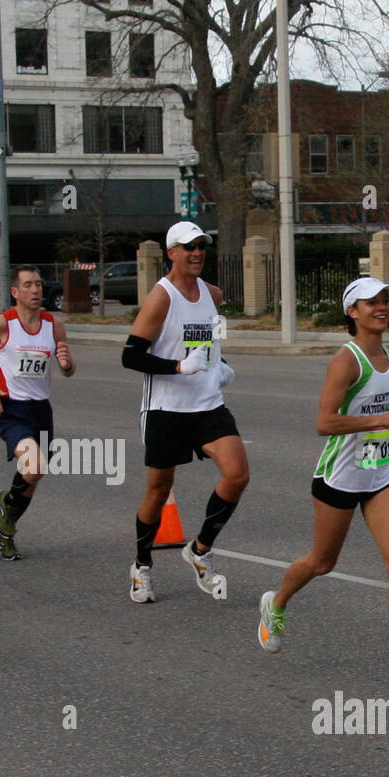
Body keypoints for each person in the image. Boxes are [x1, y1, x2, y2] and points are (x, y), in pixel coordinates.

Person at [255, 279, 389, 695]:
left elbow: (382, 415)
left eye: (385, 300)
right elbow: (325, 423)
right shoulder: (346, 361)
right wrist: (380, 421)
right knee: (322, 563)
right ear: (351, 312)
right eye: (371, 302)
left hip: (383, 472)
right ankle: (276, 603)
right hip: (341, 474)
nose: (382, 307)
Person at [121, 221, 247, 603]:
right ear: (171, 252)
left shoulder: (213, 294)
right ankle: (142, 566)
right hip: (166, 407)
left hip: (207, 404)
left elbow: (206, 340)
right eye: (188, 246)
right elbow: (130, 356)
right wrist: (177, 368)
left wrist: (220, 364)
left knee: (237, 474)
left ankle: (200, 549)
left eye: (201, 246)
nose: (196, 253)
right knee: (158, 492)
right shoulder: (162, 297)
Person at [0, 265, 75, 560]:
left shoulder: (54, 325)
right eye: (28, 285)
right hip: (11, 406)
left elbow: (68, 369)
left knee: (33, 478)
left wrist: (66, 365)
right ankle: (6, 506)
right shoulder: (3, 324)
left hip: (41, 408)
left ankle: (5, 530)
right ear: (15, 292)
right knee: (34, 466)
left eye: (38, 284)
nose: (35, 290)